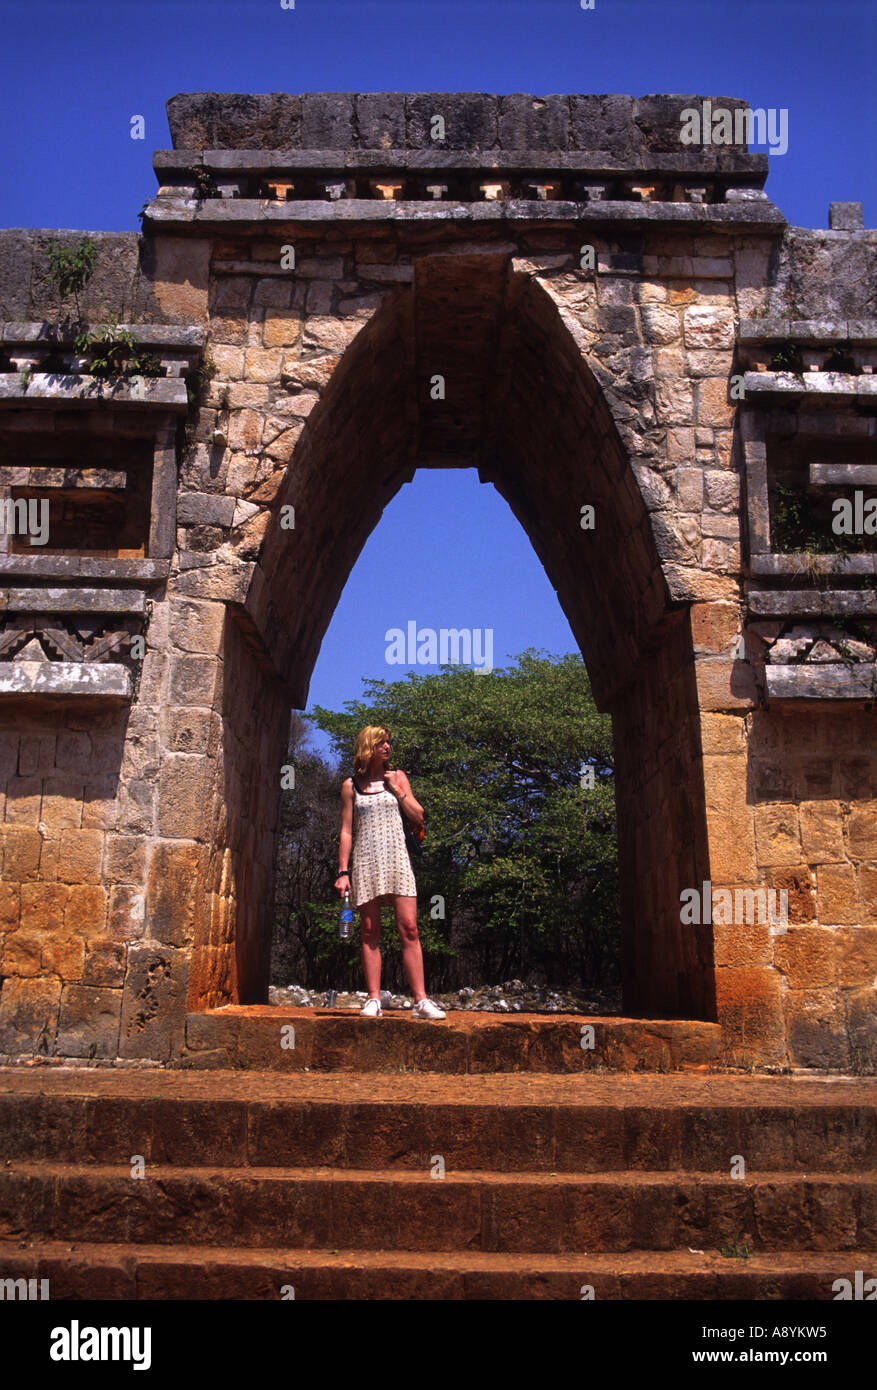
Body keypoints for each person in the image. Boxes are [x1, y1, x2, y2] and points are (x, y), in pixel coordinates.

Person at [335, 725, 446, 1020]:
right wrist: (342, 871)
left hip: (398, 859)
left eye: (388, 742)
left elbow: (418, 815)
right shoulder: (351, 785)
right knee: (369, 931)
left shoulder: (397, 777)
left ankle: (421, 1001)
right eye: (381, 743)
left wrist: (399, 793)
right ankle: (373, 999)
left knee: (409, 928)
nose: (387, 747)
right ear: (368, 748)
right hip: (366, 861)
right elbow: (347, 831)